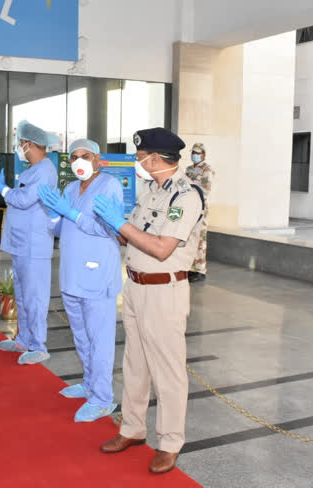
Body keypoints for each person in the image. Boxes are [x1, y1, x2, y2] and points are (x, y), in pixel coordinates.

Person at [93, 127, 205, 474]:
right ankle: (132, 428)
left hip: (164, 290)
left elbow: (160, 248)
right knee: (135, 363)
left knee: (168, 371)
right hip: (138, 287)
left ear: (156, 159)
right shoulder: (149, 191)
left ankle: (170, 442)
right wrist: (111, 224)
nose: (138, 163)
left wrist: (122, 228)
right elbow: (133, 236)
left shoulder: (185, 196)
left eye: (141, 158)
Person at [38, 139, 122, 423]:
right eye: (73, 158)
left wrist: (72, 213)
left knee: (99, 340)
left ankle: (102, 398)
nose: (78, 162)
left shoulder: (109, 185)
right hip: (72, 273)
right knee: (81, 335)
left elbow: (106, 228)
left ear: (98, 159)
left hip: (97, 274)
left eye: (85, 156)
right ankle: (89, 384)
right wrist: (53, 216)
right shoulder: (71, 188)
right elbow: (63, 229)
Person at [0, 120, 58, 365]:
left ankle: (39, 345)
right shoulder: (31, 169)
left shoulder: (45, 169)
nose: (20, 148)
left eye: (21, 143)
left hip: (34, 245)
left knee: (35, 298)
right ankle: (24, 339)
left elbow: (23, 200)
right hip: (22, 243)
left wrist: (1, 188)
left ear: (31, 144)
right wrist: (4, 187)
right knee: (23, 296)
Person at [185, 143, 214, 283]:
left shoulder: (207, 169)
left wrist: (192, 188)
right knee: (190, 236)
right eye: (193, 153)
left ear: (203, 154)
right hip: (190, 207)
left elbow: (206, 189)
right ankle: (191, 268)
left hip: (201, 207)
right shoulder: (189, 169)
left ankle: (200, 270)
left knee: (201, 238)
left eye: (197, 153)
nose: (194, 155)